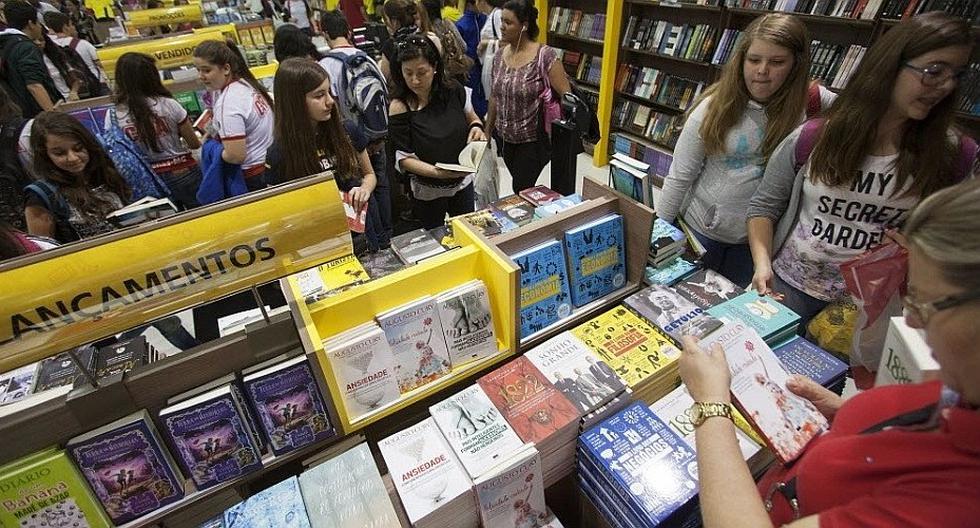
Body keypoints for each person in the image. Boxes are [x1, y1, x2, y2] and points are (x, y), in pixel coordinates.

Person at [680, 176, 980, 527]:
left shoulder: (956, 506)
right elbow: (916, 430)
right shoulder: (963, 388)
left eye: (927, 305)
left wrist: (711, 404)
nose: (911, 322)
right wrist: (846, 412)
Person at [747, 12, 976, 327]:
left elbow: (960, 250)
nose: (945, 87)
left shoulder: (955, 155)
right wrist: (763, 266)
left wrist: (923, 251)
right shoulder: (816, 136)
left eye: (957, 75)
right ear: (891, 66)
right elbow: (764, 205)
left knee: (821, 377)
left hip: (866, 306)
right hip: (788, 286)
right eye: (933, 71)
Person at [656, 14, 832, 287]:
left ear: (796, 66)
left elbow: (865, 109)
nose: (762, 70)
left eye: (776, 62)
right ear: (741, 61)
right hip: (700, 233)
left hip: (756, 244)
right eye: (754, 60)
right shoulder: (713, 107)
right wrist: (657, 236)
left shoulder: (810, 104)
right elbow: (679, 177)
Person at [264, 58, 383, 250]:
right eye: (319, 95)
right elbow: (278, 212)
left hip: (361, 228)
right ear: (294, 102)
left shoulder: (347, 130)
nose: (329, 102)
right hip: (319, 241)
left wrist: (364, 190)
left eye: (329, 92)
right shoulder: (279, 154)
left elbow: (369, 175)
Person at [388, 33, 485, 229]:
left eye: (421, 72)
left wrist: (476, 127)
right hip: (428, 189)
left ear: (434, 68)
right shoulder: (400, 106)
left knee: (470, 231)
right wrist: (437, 173)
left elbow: (472, 117)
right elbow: (403, 158)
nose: (415, 80)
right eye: (408, 73)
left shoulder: (453, 90)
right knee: (435, 238)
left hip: (462, 181)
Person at [320, 8, 392, 248]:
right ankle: (386, 237)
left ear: (324, 32)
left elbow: (334, 110)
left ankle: (375, 242)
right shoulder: (366, 57)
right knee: (379, 186)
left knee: (360, 197)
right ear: (349, 31)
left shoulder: (326, 66)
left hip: (350, 143)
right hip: (377, 137)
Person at [485, 0, 570, 193]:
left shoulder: (544, 55)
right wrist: (487, 130)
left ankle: (528, 222)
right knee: (521, 186)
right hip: (505, 139)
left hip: (533, 140)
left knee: (521, 188)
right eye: (502, 21)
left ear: (524, 25)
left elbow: (568, 97)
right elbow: (495, 96)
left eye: (508, 22)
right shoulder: (499, 56)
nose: (502, 27)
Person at [112, 52, 203, 210]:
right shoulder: (169, 104)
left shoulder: (113, 115)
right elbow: (194, 143)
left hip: (147, 179)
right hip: (181, 170)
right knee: (202, 215)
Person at [23, 111, 131, 242]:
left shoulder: (104, 172)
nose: (72, 158)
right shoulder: (41, 194)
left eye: (78, 148)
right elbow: (44, 251)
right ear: (45, 155)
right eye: (60, 153)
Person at [193, 39, 274, 192]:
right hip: (268, 165)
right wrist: (208, 136)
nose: (201, 76)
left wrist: (209, 150)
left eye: (206, 70)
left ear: (225, 69)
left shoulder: (229, 102)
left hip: (254, 176)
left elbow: (235, 155)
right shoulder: (245, 83)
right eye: (198, 70)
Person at [0, 1, 60, 118]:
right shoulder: (25, 47)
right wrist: (53, 116)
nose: (39, 27)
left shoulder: (5, 43)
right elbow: (34, 85)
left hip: (14, 115)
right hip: (34, 113)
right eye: (38, 23)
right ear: (31, 24)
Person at [43, 11, 109, 93]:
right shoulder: (83, 44)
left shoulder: (50, 47)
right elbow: (100, 63)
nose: (74, 27)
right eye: (71, 24)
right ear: (65, 27)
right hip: (95, 84)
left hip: (72, 90)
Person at [379, 0, 441, 84]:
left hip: (405, 95)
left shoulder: (390, 45)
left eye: (386, 21)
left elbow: (385, 77)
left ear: (394, 22)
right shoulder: (431, 38)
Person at [421, 0, 472, 83]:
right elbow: (463, 46)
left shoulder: (427, 33)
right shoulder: (447, 23)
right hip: (457, 74)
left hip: (440, 79)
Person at [455, 0, 486, 115]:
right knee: (471, 94)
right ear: (470, 4)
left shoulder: (484, 19)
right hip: (470, 68)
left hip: (484, 64)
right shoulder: (462, 24)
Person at [476, 0, 503, 104]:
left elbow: (504, 40)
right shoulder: (489, 16)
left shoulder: (497, 15)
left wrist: (485, 43)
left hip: (494, 64)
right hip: (488, 63)